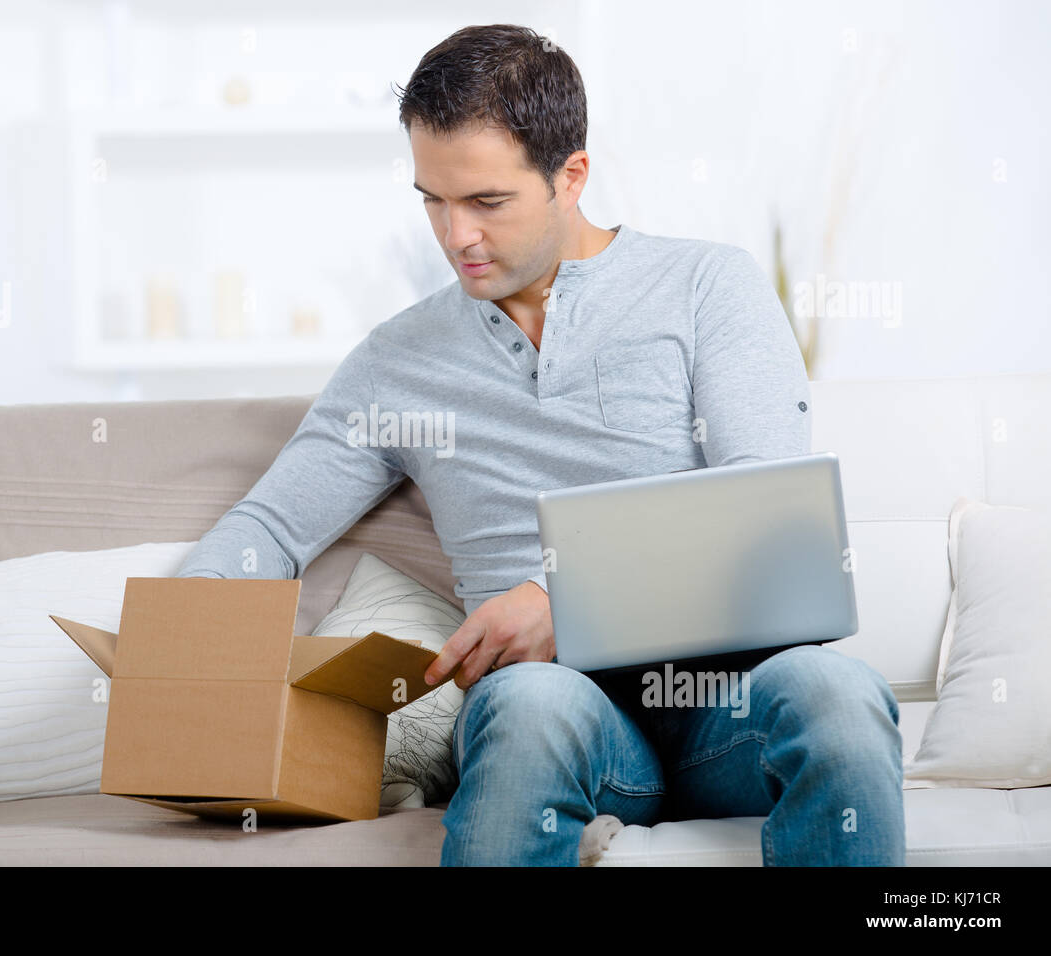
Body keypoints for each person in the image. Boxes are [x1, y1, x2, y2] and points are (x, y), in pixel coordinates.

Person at [176, 23, 904, 866]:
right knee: (528, 708)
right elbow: (271, 528)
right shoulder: (397, 360)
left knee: (839, 692)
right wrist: (179, 640)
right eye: (431, 200)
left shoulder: (708, 286)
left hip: (730, 704)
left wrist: (566, 601)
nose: (456, 238)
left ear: (572, 176)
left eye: (486, 202)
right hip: (555, 710)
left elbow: (768, 512)